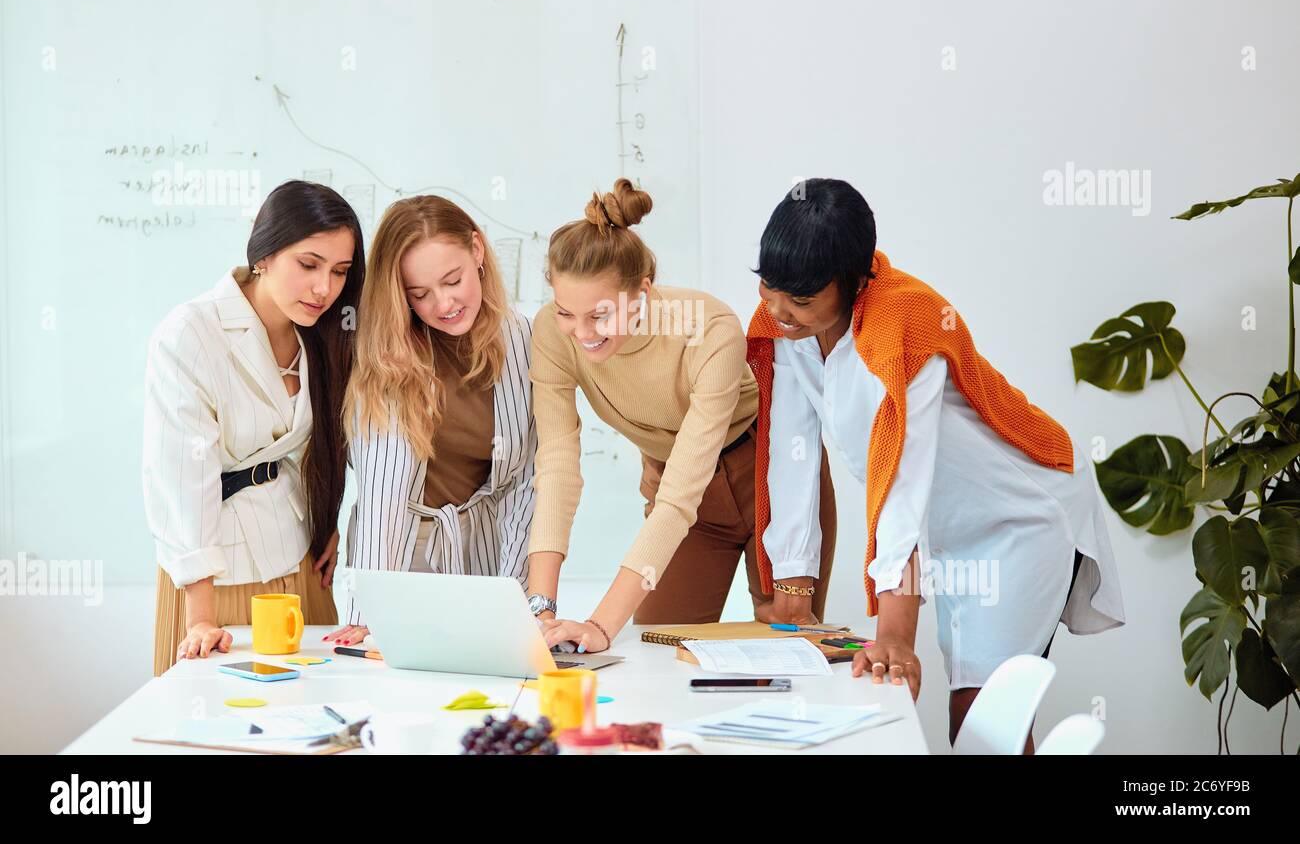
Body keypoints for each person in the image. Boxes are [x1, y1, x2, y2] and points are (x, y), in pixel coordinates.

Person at [748, 178, 1124, 748]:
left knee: (982, 721)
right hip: (947, 529)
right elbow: (792, 459)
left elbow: (901, 478)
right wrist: (793, 602)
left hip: (1019, 517)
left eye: (799, 301)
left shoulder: (905, 322)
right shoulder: (786, 326)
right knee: (976, 720)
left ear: (853, 281)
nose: (778, 312)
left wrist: (897, 634)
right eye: (769, 289)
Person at [528, 179, 837, 655]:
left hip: (772, 477)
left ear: (643, 293)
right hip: (677, 487)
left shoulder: (710, 328)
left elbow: (680, 495)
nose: (581, 333)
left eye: (600, 315)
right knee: (656, 647)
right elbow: (556, 467)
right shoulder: (553, 333)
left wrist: (599, 625)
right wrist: (540, 607)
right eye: (568, 312)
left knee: (786, 646)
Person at [143, 180, 364, 674]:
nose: (324, 288)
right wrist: (200, 619)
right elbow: (182, 476)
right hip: (214, 574)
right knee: (222, 728)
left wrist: (326, 517)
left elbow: (324, 443)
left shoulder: (325, 335)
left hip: (298, 560)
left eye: (340, 272)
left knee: (312, 720)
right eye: (309, 265)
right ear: (264, 253)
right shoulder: (190, 332)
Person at [325, 195, 536, 646]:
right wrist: (368, 613)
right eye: (419, 294)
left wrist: (519, 596)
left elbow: (526, 483)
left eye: (452, 280)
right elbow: (384, 497)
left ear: (477, 252)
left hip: (487, 551)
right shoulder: (385, 357)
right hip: (401, 560)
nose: (444, 304)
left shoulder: (521, 338)